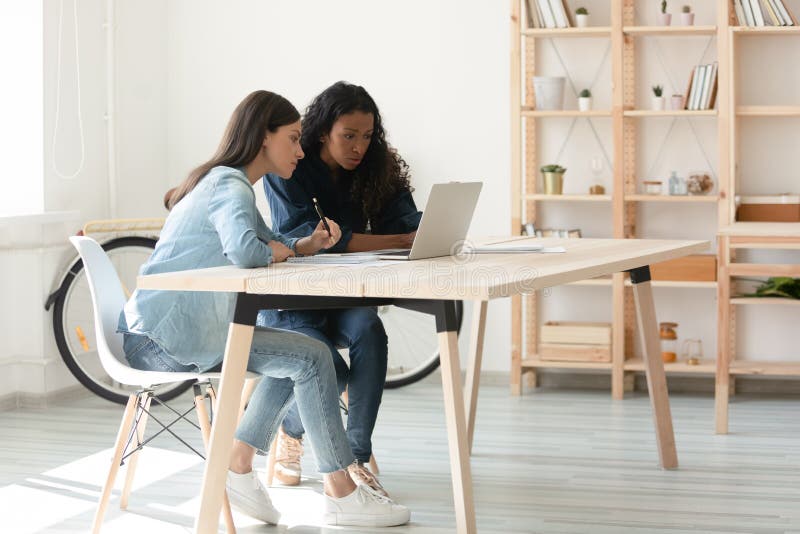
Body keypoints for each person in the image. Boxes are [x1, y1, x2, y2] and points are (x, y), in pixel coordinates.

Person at [118, 90, 410, 527]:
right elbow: (246, 251)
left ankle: (238, 467)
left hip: (183, 332)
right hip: (164, 339)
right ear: (263, 139)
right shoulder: (228, 185)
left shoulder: (230, 184)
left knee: (304, 357)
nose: (299, 149)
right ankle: (341, 493)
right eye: (292, 139)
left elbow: (266, 238)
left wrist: (303, 245)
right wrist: (282, 250)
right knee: (311, 359)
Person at [259, 82, 421, 496]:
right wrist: (395, 241)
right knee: (329, 367)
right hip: (293, 301)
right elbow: (316, 238)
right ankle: (290, 434)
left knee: (369, 328)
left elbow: (403, 220)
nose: (359, 147)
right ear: (322, 133)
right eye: (348, 135)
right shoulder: (288, 167)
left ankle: (357, 456)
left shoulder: (374, 167)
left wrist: (422, 229)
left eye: (367, 137)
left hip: (344, 295)